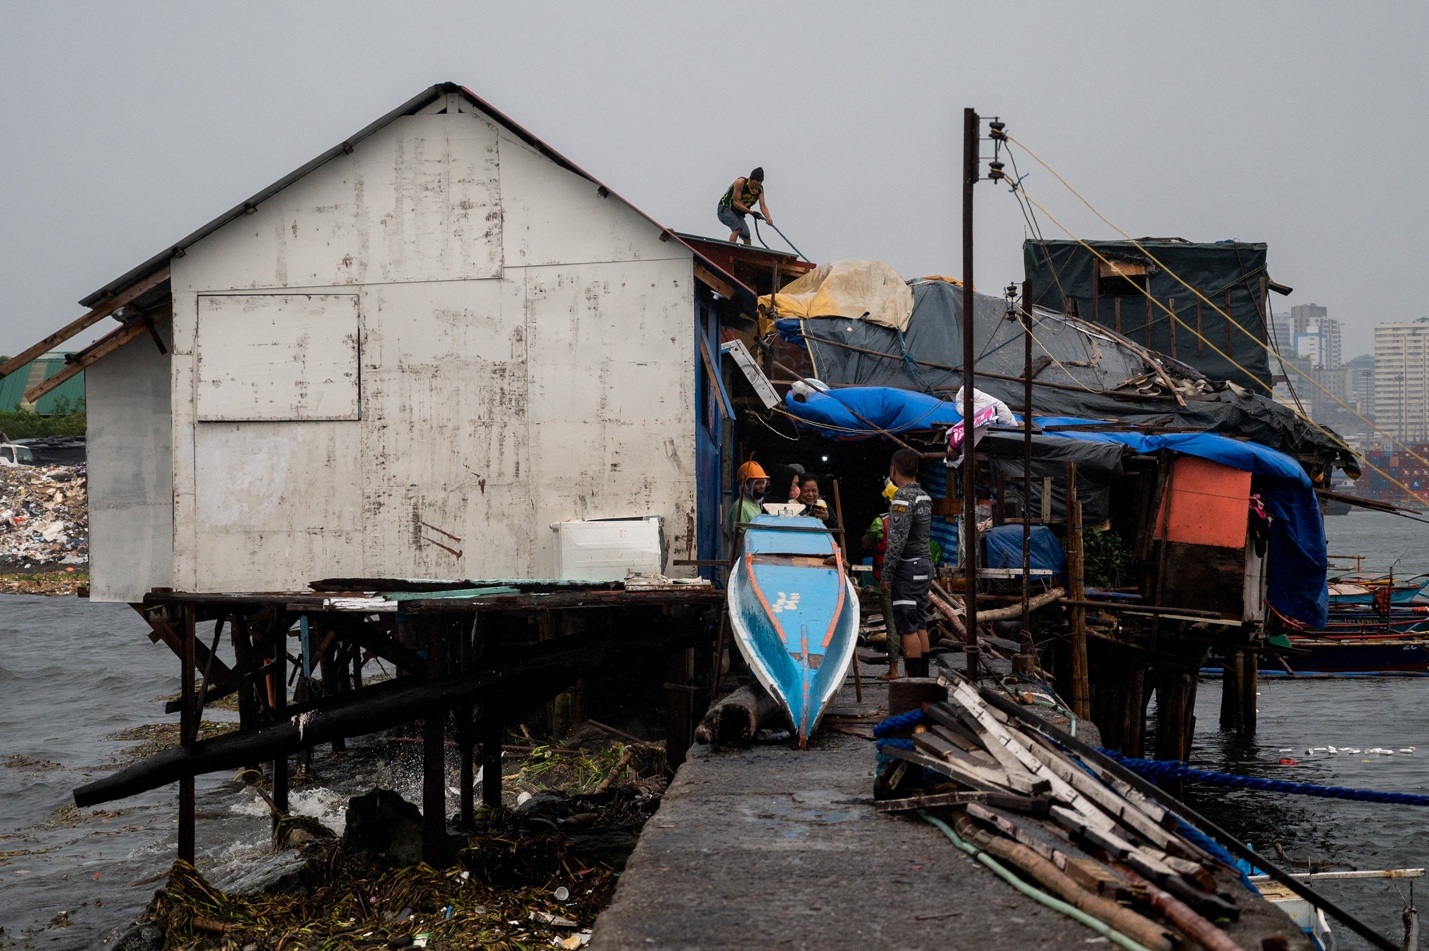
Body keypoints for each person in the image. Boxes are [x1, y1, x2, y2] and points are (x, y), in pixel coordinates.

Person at [882, 448, 934, 679]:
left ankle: (913, 683)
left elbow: (896, 541)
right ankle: (923, 680)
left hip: (908, 568)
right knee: (920, 623)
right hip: (924, 565)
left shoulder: (902, 498)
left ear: (893, 470)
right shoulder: (925, 496)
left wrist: (886, 573)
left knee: (907, 627)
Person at [717, 167, 773, 245]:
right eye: (757, 181)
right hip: (725, 208)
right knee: (737, 228)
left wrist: (768, 217)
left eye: (761, 182)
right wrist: (752, 212)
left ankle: (748, 255)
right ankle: (730, 250)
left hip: (738, 213)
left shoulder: (760, 189)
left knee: (746, 235)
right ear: (751, 179)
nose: (759, 184)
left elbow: (763, 205)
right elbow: (736, 203)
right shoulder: (741, 182)